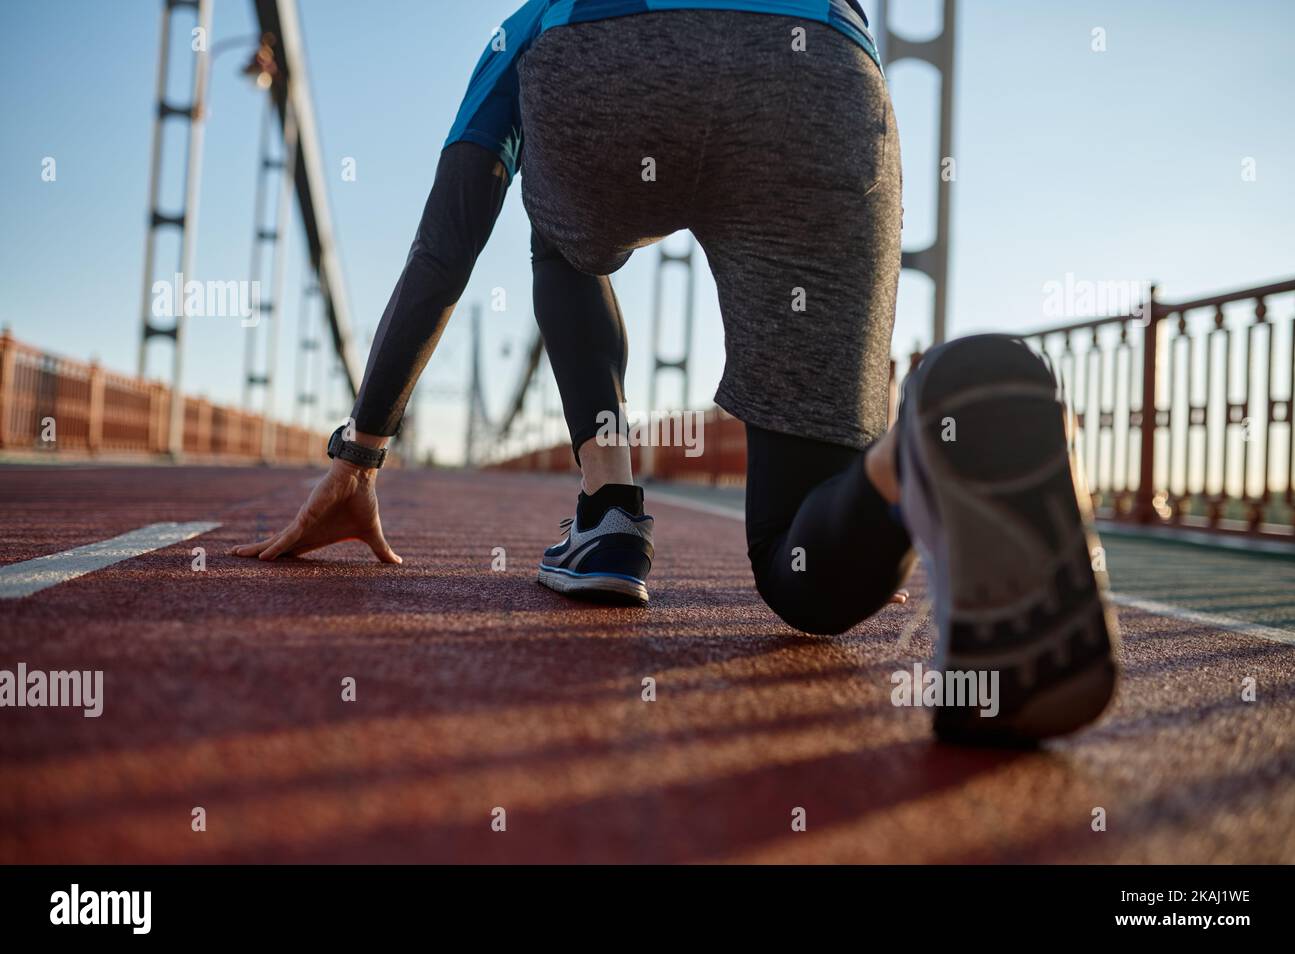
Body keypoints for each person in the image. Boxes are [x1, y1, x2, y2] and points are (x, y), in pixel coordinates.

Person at [235, 0, 1117, 742]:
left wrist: (362, 451)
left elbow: (444, 249)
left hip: (600, 60)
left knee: (560, 221)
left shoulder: (534, 22)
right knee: (804, 571)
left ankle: (608, 513)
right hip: (820, 69)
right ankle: (911, 455)